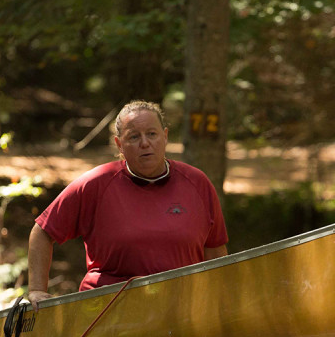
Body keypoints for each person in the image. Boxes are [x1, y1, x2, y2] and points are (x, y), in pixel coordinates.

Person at [27, 100, 229, 301]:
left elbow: (216, 252)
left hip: (180, 308)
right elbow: (43, 232)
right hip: (107, 310)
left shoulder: (197, 183)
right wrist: (36, 290)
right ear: (119, 144)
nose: (144, 143)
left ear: (165, 136)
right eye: (134, 136)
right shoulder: (96, 184)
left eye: (152, 134)